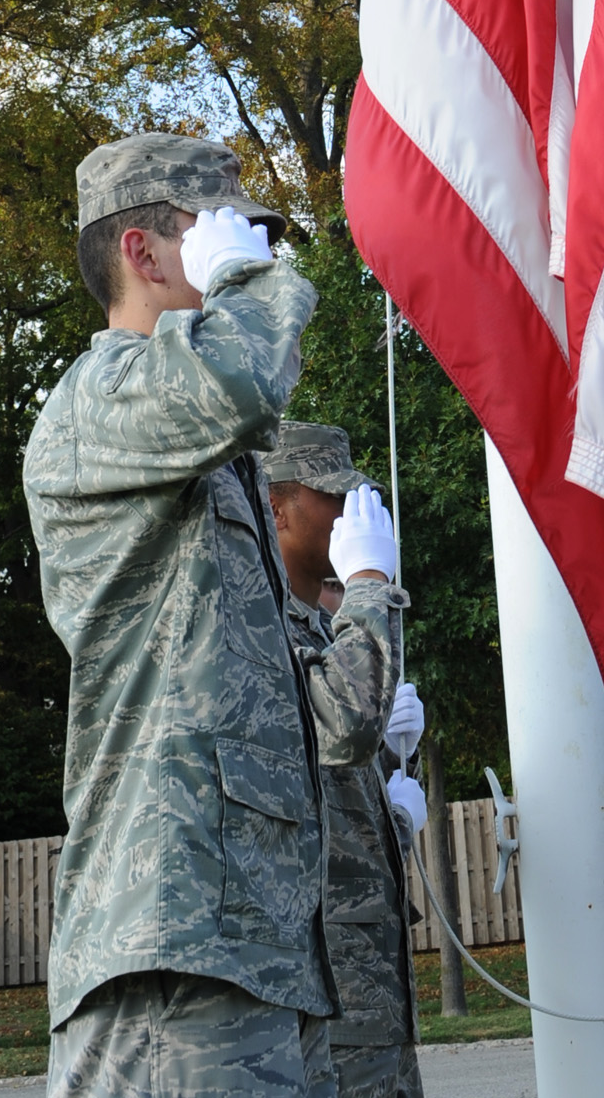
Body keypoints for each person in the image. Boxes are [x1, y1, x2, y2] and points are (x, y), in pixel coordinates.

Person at [23, 135, 392, 1098]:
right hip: (171, 942)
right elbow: (239, 380)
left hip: (252, 946)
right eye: (223, 233)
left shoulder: (210, 452)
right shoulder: (102, 398)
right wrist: (250, 289)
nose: (254, 257)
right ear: (142, 252)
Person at [266, 422, 427, 1098]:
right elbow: (338, 736)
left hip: (367, 991)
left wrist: (394, 798)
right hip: (325, 999)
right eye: (331, 494)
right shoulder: (261, 627)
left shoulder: (315, 626)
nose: (350, 510)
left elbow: (335, 804)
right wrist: (367, 581)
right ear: (276, 507)